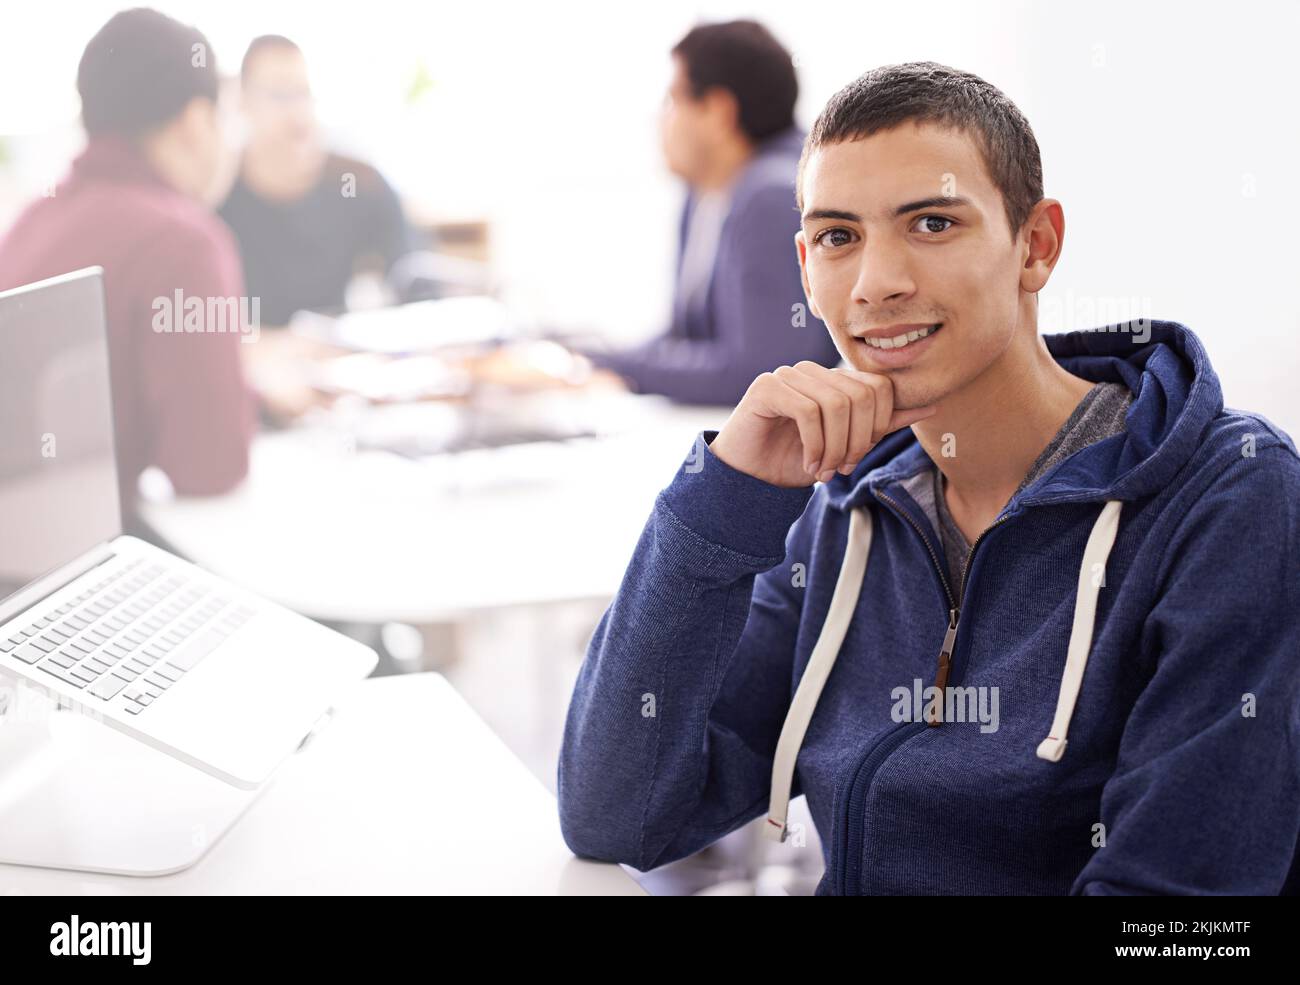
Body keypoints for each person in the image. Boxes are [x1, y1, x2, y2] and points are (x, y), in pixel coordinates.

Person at [558, 61, 1300, 894]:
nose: (878, 283)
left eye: (933, 224)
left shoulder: (1231, 499)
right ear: (807, 264)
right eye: (839, 237)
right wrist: (722, 494)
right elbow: (614, 814)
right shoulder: (843, 508)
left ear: (1036, 244)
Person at [0, 8, 257, 525]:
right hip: (82, 562)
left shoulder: (32, 218)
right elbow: (210, 467)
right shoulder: (184, 242)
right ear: (193, 123)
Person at [575, 20, 841, 405]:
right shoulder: (705, 192)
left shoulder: (771, 196)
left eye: (672, 101)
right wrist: (584, 358)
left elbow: (760, 375)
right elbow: (684, 336)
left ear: (718, 112)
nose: (659, 120)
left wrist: (612, 368)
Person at [219, 34, 414, 327]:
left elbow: (417, 286)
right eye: (280, 95)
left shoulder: (360, 184)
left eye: (305, 93)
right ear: (242, 102)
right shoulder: (216, 198)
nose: (299, 115)